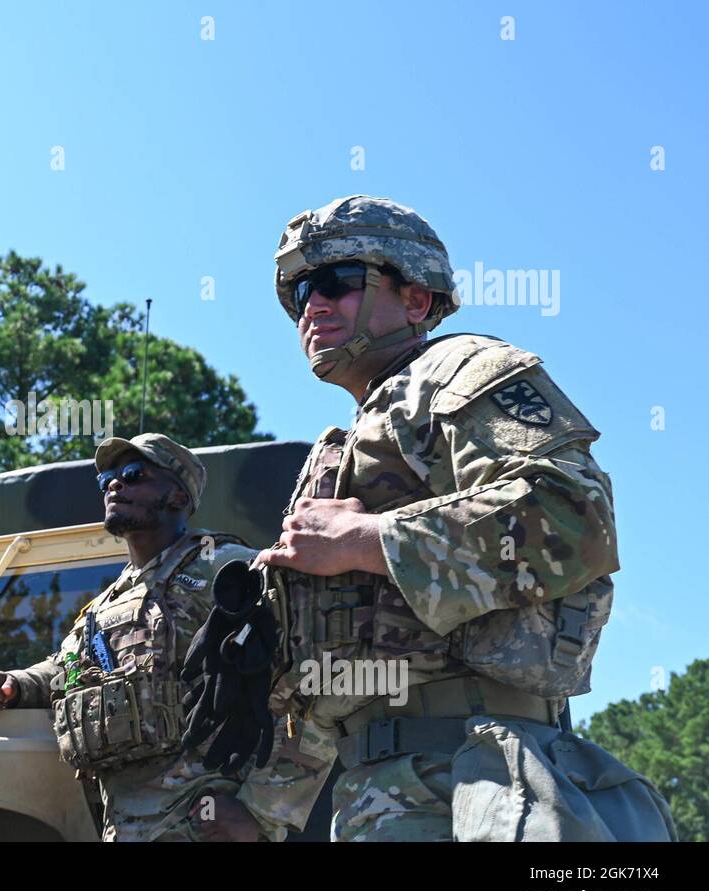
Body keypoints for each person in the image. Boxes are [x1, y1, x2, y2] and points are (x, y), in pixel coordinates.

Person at [250, 194, 676, 841]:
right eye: (301, 290)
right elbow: (338, 666)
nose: (312, 303)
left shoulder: (461, 370)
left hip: (473, 776)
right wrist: (262, 809)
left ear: (416, 300)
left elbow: (574, 517)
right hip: (374, 788)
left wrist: (367, 539)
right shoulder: (339, 446)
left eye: (336, 281)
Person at [0, 432, 301, 841]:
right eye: (106, 478)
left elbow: (310, 677)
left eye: (134, 474)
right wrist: (14, 684)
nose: (114, 484)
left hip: (206, 823)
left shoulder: (227, 570)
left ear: (179, 498)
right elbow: (66, 667)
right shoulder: (108, 602)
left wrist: (264, 811)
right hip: (124, 827)